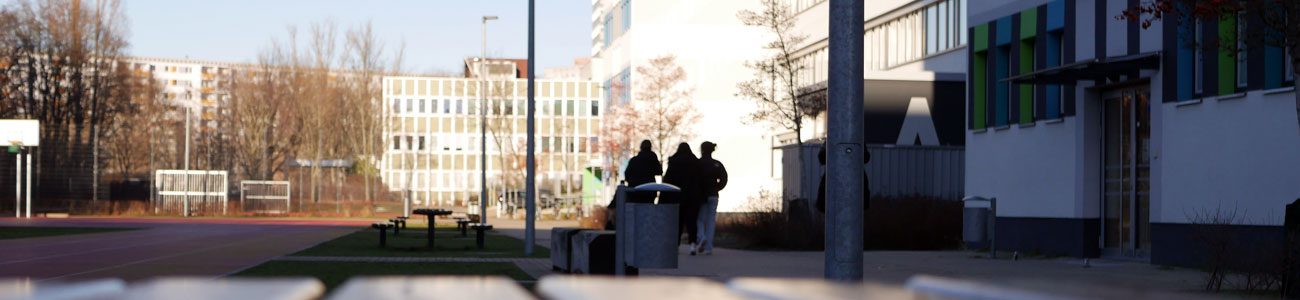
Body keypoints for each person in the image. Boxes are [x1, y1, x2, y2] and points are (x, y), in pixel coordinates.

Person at [661, 143, 701, 248]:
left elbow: (667, 181)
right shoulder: (695, 162)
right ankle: (692, 244)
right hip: (692, 197)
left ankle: (676, 245)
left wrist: (663, 198)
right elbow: (700, 181)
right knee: (692, 221)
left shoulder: (674, 162)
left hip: (676, 197)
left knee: (677, 222)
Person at [816, 144, 871, 213]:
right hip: (837, 181)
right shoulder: (832, 139)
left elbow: (866, 158)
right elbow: (821, 158)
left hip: (850, 181)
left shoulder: (856, 140)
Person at [694, 141, 727, 255]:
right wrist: (717, 188)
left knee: (700, 220)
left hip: (701, 196)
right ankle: (708, 247)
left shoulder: (697, 164)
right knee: (711, 221)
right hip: (714, 195)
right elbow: (724, 179)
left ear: (702, 149)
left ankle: (701, 237)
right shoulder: (717, 164)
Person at [623, 140, 662, 204]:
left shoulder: (634, 160)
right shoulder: (653, 160)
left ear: (641, 148)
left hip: (635, 191)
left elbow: (627, 174)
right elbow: (659, 172)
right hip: (650, 191)